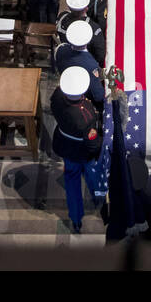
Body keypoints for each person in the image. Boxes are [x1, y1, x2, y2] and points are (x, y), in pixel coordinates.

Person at [51, 65, 104, 234]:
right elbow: (93, 144)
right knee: (92, 174)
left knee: (71, 182)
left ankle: (75, 218)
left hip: (66, 146)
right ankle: (99, 199)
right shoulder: (86, 114)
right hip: (83, 152)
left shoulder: (57, 97)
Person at [54, 20, 105, 106]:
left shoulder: (60, 49)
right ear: (89, 41)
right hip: (82, 99)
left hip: (68, 86)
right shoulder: (91, 66)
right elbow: (98, 96)